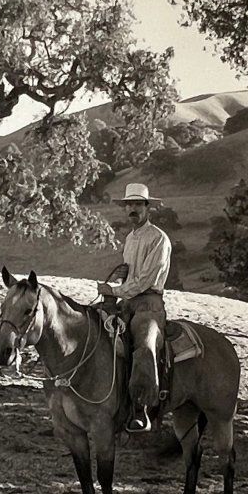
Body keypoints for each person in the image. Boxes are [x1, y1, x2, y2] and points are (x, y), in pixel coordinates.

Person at [96, 183, 172, 432]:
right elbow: (131, 276)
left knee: (144, 343)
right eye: (129, 204)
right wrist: (119, 277)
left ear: (147, 208)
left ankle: (141, 408)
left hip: (149, 303)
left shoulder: (158, 238)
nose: (132, 209)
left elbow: (146, 280)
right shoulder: (130, 238)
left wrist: (114, 291)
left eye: (138, 204)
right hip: (128, 301)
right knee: (96, 328)